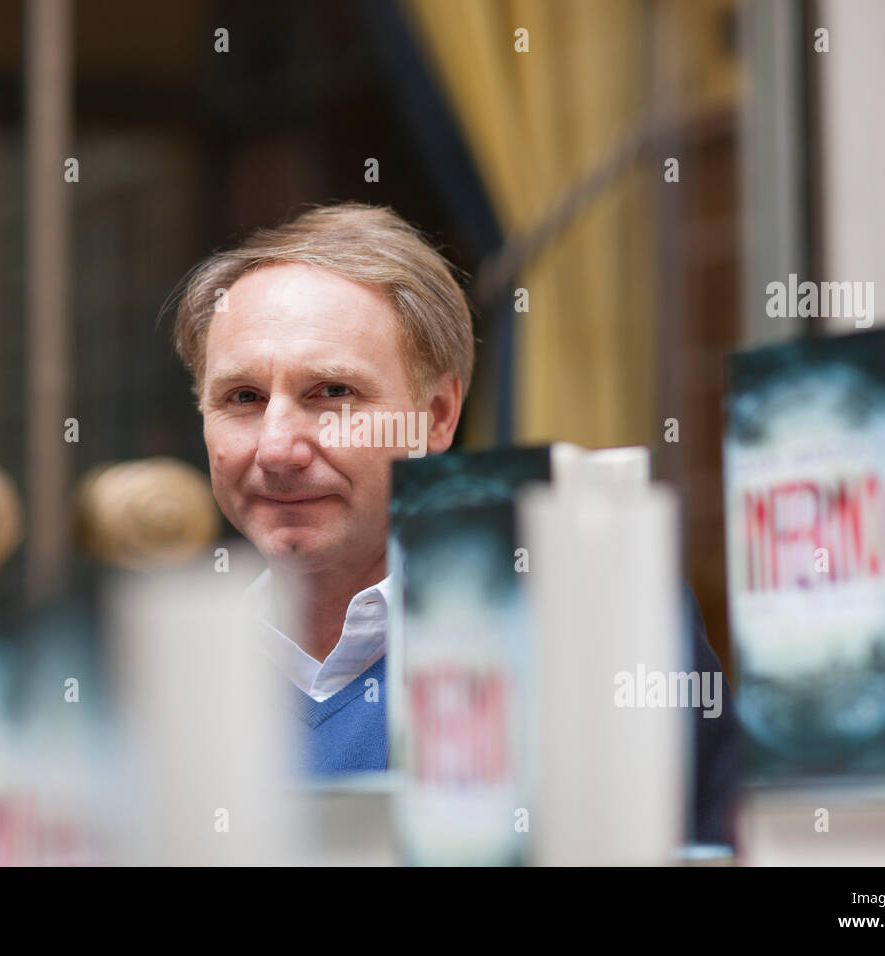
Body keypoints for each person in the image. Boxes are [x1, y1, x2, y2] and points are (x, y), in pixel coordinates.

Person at [172, 202, 738, 845]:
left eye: (331, 393)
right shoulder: (167, 676)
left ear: (437, 416)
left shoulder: (593, 627)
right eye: (241, 398)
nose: (277, 449)